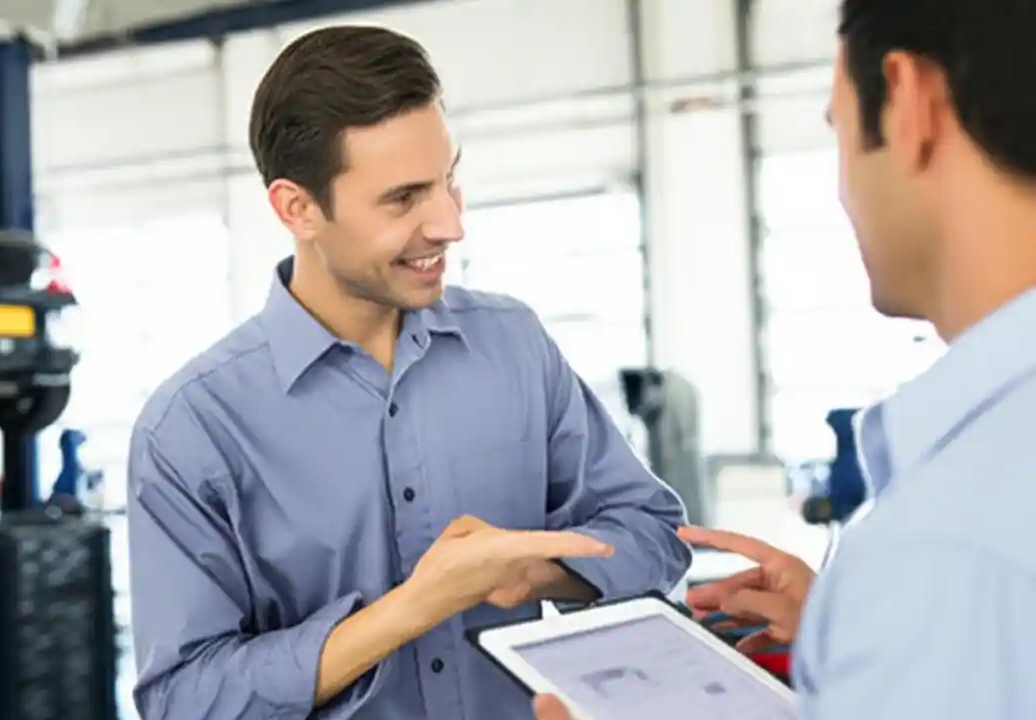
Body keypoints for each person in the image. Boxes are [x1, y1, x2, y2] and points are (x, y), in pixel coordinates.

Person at [127, 24, 691, 720]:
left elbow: (654, 532)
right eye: (404, 199)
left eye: (449, 180)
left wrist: (537, 572)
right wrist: (412, 608)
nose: (450, 223)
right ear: (296, 208)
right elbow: (183, 701)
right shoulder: (194, 428)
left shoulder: (514, 346)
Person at [536, 0, 1036, 717]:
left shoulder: (950, 554)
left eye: (837, 133)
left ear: (908, 102)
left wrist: (902, 613)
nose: (842, 190)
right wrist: (854, 635)